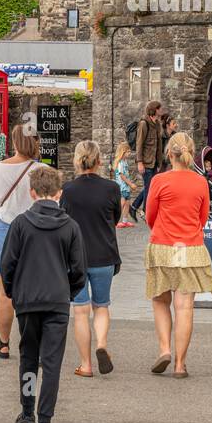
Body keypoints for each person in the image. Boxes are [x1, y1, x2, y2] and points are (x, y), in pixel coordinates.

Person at [0, 164, 86, 423]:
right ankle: (45, 419)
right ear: (59, 193)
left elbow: (7, 265)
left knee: (29, 357)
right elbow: (79, 269)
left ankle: (27, 414)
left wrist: (15, 292)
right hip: (57, 300)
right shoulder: (70, 226)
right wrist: (67, 292)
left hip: (27, 300)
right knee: (51, 363)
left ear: (32, 192)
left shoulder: (20, 224)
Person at [145, 132, 212, 377]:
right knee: (185, 307)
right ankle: (180, 364)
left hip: (163, 246)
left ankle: (164, 349)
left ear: (169, 154)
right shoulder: (201, 182)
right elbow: (203, 218)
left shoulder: (159, 180)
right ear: (191, 155)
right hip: (190, 248)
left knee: (160, 300)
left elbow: (150, 216)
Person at [58, 141, 122, 377]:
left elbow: (63, 221)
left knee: (81, 311)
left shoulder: (68, 189)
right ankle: (102, 344)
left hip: (76, 258)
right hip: (104, 255)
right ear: (99, 161)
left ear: (77, 160)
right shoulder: (112, 188)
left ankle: (85, 365)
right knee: (102, 305)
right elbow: (115, 218)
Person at [0, 124, 40, 361]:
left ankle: (4, 344)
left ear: (14, 143)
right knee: (33, 291)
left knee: (5, 292)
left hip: (5, 230)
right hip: (36, 230)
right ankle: (31, 343)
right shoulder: (42, 169)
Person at [130, 101, 165, 222]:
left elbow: (159, 145)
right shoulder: (144, 124)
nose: (162, 110)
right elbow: (139, 144)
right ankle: (145, 213)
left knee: (150, 187)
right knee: (149, 187)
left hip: (155, 162)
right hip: (146, 162)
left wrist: (160, 163)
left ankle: (134, 207)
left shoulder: (158, 124)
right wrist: (139, 162)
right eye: (160, 108)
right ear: (155, 110)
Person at [113, 141, 138, 228]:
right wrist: (131, 184)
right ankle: (114, 220)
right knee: (121, 204)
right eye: (128, 152)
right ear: (123, 152)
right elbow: (121, 175)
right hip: (122, 187)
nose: (129, 153)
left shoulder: (125, 162)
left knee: (127, 203)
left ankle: (125, 221)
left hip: (126, 187)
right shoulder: (120, 163)